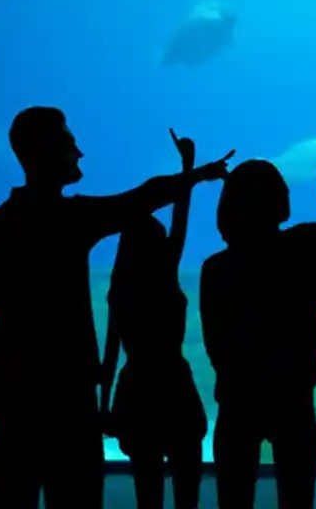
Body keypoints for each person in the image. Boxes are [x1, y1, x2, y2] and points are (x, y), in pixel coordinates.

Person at [0, 106, 232, 509]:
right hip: (69, 406)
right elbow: (142, 198)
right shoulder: (72, 219)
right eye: (70, 143)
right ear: (46, 150)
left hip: (15, 402)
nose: (79, 153)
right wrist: (196, 174)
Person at [199, 159, 316, 509]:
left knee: (234, 496)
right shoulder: (306, 249)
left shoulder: (216, 268)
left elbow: (215, 342)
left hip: (237, 396)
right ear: (281, 202)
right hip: (294, 395)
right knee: (298, 497)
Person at [99, 130, 209, 509]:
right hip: (174, 387)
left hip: (135, 392)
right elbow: (181, 221)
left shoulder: (120, 289)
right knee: (187, 491)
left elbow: (110, 358)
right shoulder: (166, 270)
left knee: (147, 493)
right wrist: (188, 167)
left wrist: (104, 407)